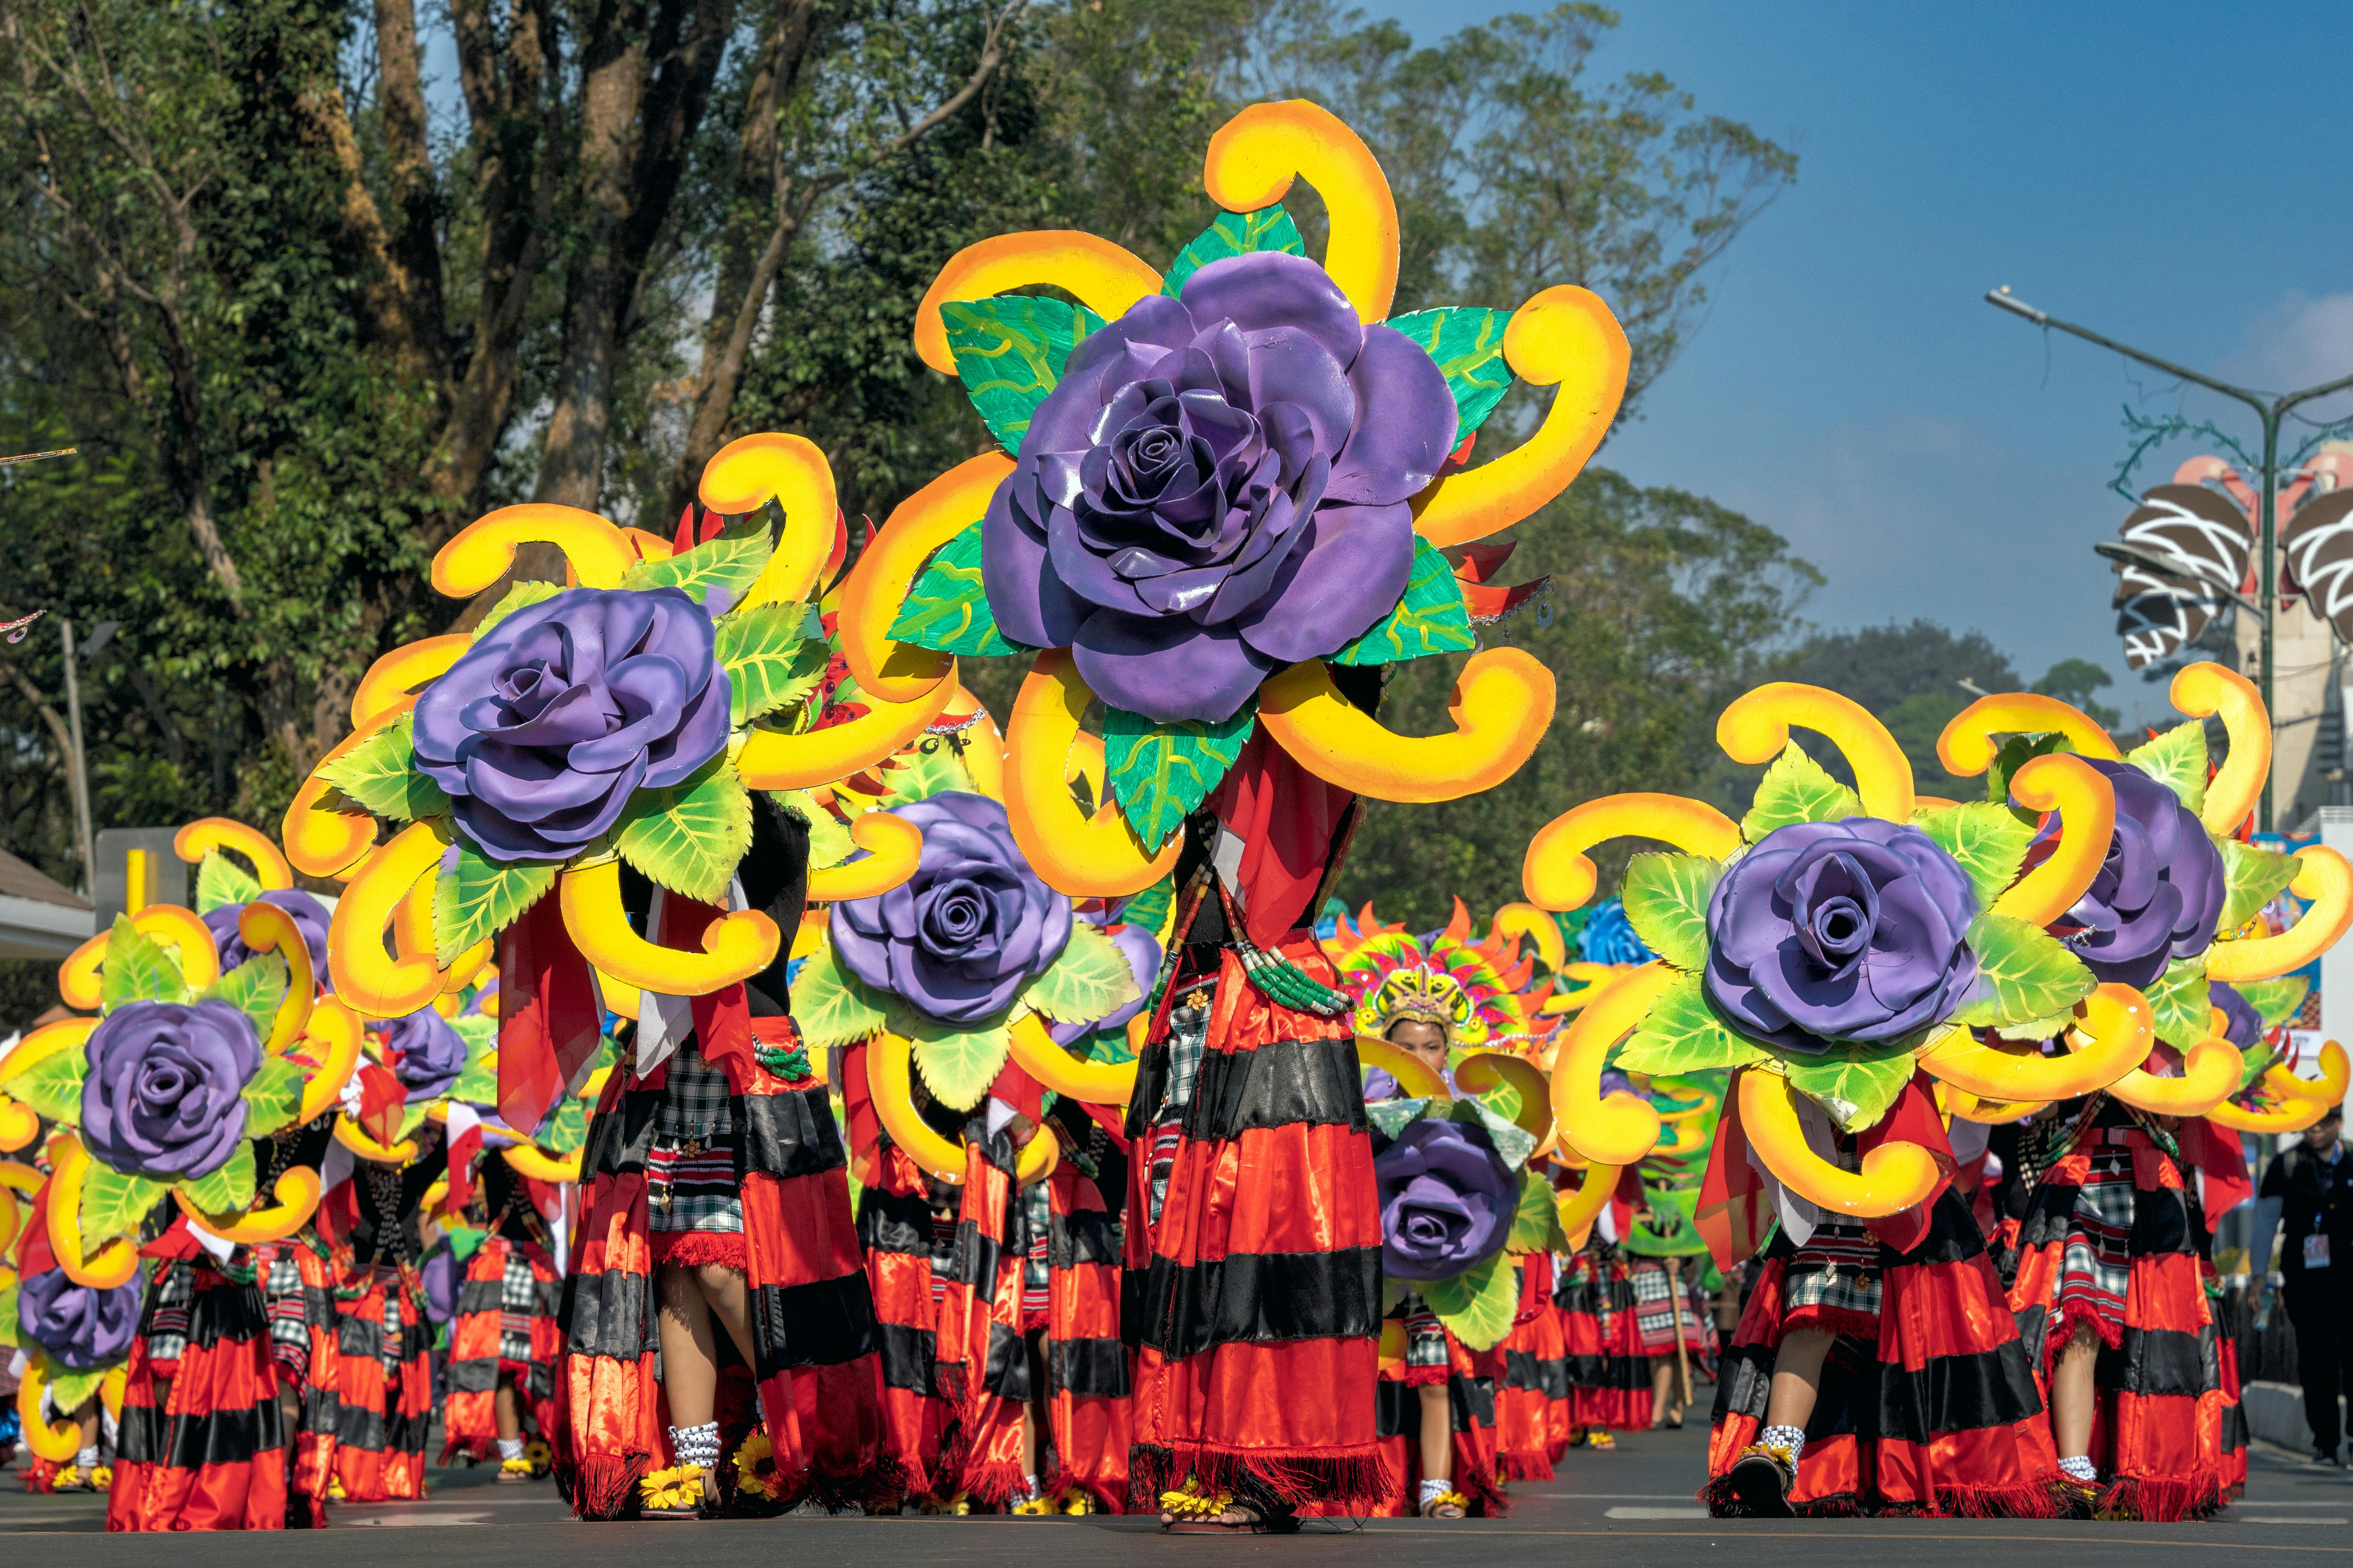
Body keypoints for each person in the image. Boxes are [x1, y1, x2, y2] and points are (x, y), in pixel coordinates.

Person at [2259, 1104, 2353, 1464]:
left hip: (2349, 1280)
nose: (2316, 1129)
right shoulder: (2286, 1165)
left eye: (2325, 1122)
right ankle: (2325, 1443)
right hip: (2306, 1283)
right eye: (2309, 1122)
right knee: (2317, 1362)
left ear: (2339, 1122)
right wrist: (2258, 1279)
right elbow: (2266, 1224)